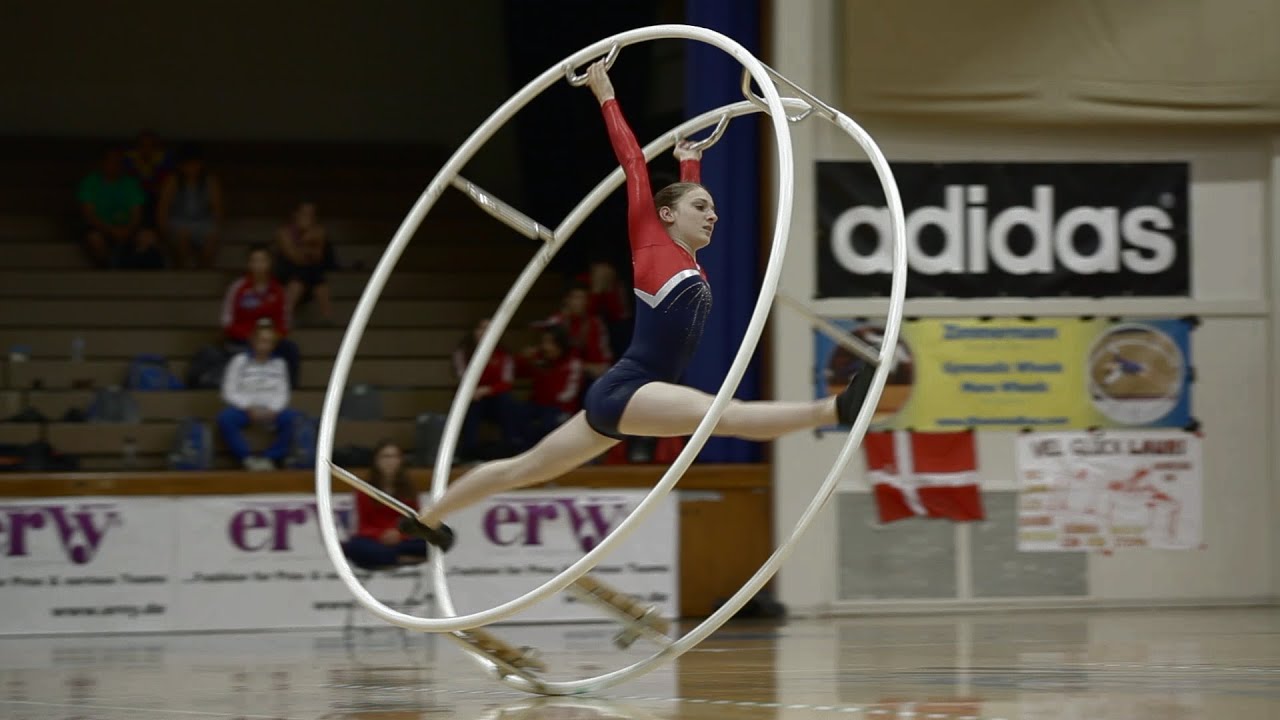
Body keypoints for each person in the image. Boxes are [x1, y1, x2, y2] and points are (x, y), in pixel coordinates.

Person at [400, 61, 872, 551]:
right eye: (701, 209)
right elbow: (632, 163)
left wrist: (691, 161)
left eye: (713, 208)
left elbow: (686, 201)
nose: (713, 215)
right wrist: (605, 91)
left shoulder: (688, 258)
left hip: (622, 395)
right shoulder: (651, 244)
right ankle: (832, 409)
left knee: (525, 468)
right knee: (725, 415)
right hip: (633, 388)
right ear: (665, 216)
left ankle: (429, 517)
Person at [217, 320, 302, 470]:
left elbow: (283, 392)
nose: (265, 345)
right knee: (225, 418)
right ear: (253, 341)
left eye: (269, 342)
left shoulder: (279, 364)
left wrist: (272, 409)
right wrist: (248, 407)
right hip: (245, 409)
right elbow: (228, 391)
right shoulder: (239, 361)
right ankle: (246, 458)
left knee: (294, 418)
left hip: (272, 411)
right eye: (262, 341)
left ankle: (270, 458)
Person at [221, 243, 302, 387]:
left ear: (270, 263)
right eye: (255, 261)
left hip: (272, 340)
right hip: (243, 340)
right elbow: (227, 321)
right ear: (249, 264)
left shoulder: (278, 290)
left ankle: (290, 390)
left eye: (263, 260)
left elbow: (285, 322)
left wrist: (272, 338)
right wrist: (251, 337)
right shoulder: (238, 288)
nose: (259, 265)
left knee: (291, 350)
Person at [341, 441, 428, 569]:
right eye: (385, 456)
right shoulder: (364, 490)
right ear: (376, 461)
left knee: (434, 540)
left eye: (394, 457)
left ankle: (387, 559)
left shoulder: (409, 489)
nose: (390, 461)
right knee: (355, 547)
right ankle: (400, 559)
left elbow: (414, 522)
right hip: (375, 540)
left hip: (402, 539)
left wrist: (399, 534)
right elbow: (364, 525)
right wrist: (381, 535)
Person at [78, 148, 164, 269]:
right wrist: (110, 230)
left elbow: (137, 213)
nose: (114, 166)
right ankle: (107, 269)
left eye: (118, 162)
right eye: (111, 162)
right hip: (101, 229)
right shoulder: (90, 182)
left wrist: (128, 230)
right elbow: (89, 214)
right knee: (95, 240)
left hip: (128, 229)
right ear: (103, 163)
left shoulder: (130, 183)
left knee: (149, 237)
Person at [453, 318, 524, 459]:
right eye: (481, 328)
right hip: (473, 396)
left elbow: (507, 382)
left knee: (507, 402)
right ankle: (469, 451)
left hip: (495, 397)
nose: (484, 333)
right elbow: (463, 378)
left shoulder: (504, 355)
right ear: (475, 331)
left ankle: (511, 448)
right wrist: (474, 392)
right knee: (468, 405)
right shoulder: (463, 353)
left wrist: (486, 390)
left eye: (489, 329)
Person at [157, 143, 224, 268]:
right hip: (178, 221)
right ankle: (183, 270)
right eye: (188, 165)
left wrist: (216, 229)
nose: (192, 168)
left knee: (211, 238)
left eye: (196, 164)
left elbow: (217, 208)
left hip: (203, 221)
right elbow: (163, 208)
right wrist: (164, 231)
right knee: (183, 235)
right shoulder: (172, 181)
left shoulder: (210, 181)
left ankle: (204, 271)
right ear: (181, 166)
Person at [515, 324, 584, 447]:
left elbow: (566, 396)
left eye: (550, 343)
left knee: (549, 422)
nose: (545, 347)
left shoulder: (573, 363)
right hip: (538, 404)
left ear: (561, 345)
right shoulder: (539, 358)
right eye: (544, 342)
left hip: (561, 408)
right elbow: (517, 372)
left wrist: (545, 372)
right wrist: (524, 359)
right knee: (517, 415)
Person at [275, 201, 336, 323]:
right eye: (304, 214)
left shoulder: (319, 231)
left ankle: (328, 316)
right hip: (288, 274)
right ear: (296, 215)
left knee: (318, 280)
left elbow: (318, 256)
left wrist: (306, 245)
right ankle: (285, 316)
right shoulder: (284, 232)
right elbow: (295, 257)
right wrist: (307, 243)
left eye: (311, 214)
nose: (308, 217)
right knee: (299, 280)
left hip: (311, 274)